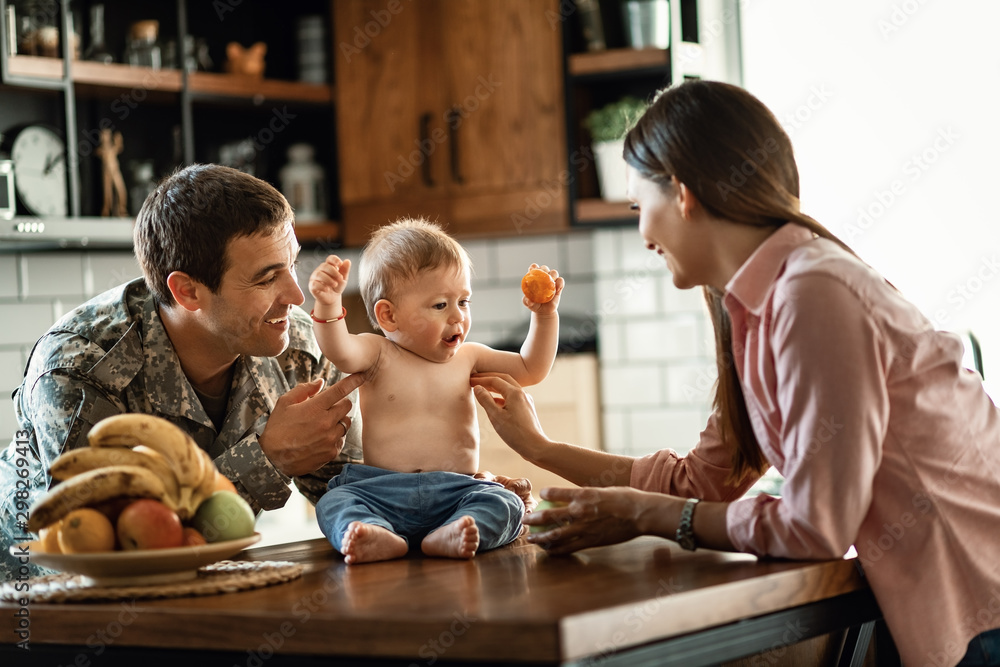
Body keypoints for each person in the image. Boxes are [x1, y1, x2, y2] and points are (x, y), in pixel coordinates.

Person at [471, 80, 1000, 667]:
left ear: (682, 193)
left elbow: (815, 528)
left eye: (638, 207)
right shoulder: (758, 305)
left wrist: (645, 515)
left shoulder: (812, 293)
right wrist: (540, 448)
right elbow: (701, 484)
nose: (643, 236)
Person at [0, 164, 364, 581]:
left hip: (200, 585)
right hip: (35, 597)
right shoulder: (81, 368)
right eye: (266, 279)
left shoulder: (300, 345)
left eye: (292, 265)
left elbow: (355, 492)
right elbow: (116, 547)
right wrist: (269, 457)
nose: (296, 296)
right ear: (187, 291)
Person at [308, 218, 563, 564]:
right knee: (334, 503)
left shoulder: (470, 358)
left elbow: (531, 367)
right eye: (441, 305)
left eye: (464, 301)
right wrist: (328, 304)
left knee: (507, 503)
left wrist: (545, 316)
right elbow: (338, 349)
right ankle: (373, 532)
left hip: (457, 493)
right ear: (389, 316)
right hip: (381, 491)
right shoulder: (376, 353)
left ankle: (454, 532)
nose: (458, 317)